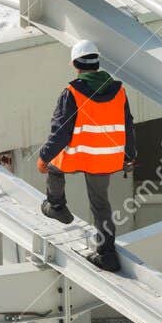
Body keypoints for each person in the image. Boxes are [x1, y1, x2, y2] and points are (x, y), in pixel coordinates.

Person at [36, 39, 133, 273]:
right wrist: (129, 156)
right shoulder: (119, 91)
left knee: (54, 168)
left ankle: (56, 206)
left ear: (74, 64)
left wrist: (44, 156)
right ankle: (107, 254)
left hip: (79, 154)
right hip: (106, 158)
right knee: (101, 205)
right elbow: (128, 125)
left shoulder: (72, 93)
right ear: (97, 63)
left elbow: (61, 132)